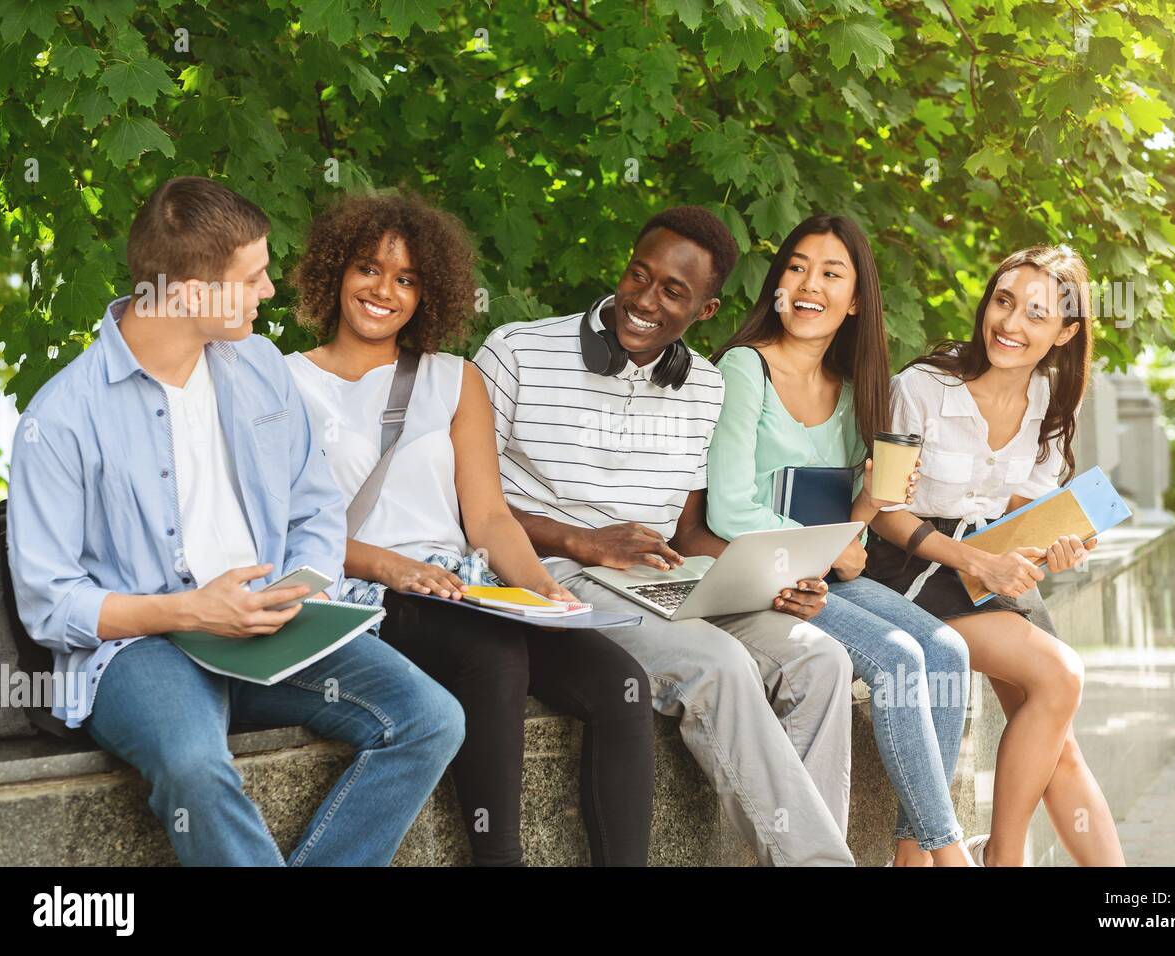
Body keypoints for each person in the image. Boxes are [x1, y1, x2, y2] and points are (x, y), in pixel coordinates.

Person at [6, 176, 464, 866]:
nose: (271, 291)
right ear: (193, 295)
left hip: (271, 626)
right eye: (253, 278)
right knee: (193, 763)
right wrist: (188, 610)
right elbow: (50, 603)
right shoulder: (63, 417)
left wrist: (302, 587)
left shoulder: (256, 365)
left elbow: (313, 505)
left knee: (431, 719)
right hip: (143, 651)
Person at [475, 205, 858, 866]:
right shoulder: (514, 351)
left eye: (673, 292)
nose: (645, 299)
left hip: (661, 578)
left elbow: (688, 534)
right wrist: (583, 542)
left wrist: (772, 580)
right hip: (546, 576)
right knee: (720, 666)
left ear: (705, 311)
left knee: (822, 659)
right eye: (638, 275)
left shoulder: (705, 387)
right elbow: (465, 507)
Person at [288, 190, 654, 866]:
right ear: (336, 270)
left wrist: (545, 591)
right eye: (368, 269)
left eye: (406, 279)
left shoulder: (455, 381)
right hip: (363, 591)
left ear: (428, 294)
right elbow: (283, 531)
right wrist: (393, 567)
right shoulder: (283, 384)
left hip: (464, 588)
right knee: (491, 652)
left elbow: (487, 516)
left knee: (621, 682)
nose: (383, 291)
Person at [704, 214, 973, 866]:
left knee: (947, 650)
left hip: (824, 575)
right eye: (796, 267)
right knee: (898, 658)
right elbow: (730, 508)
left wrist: (874, 499)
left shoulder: (854, 394)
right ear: (774, 285)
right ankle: (950, 851)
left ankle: (912, 850)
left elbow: (852, 524)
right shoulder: (744, 370)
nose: (809, 284)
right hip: (755, 575)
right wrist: (833, 550)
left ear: (855, 301)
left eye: (831, 273)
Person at [867, 245, 1126, 866]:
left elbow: (1021, 516)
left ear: (1065, 332)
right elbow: (881, 508)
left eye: (1037, 315)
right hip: (915, 565)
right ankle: (1004, 859)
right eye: (1003, 302)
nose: (1011, 325)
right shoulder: (922, 388)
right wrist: (975, 562)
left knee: (1059, 744)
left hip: (991, 568)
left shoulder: (1050, 404)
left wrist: (1061, 549)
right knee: (1060, 675)